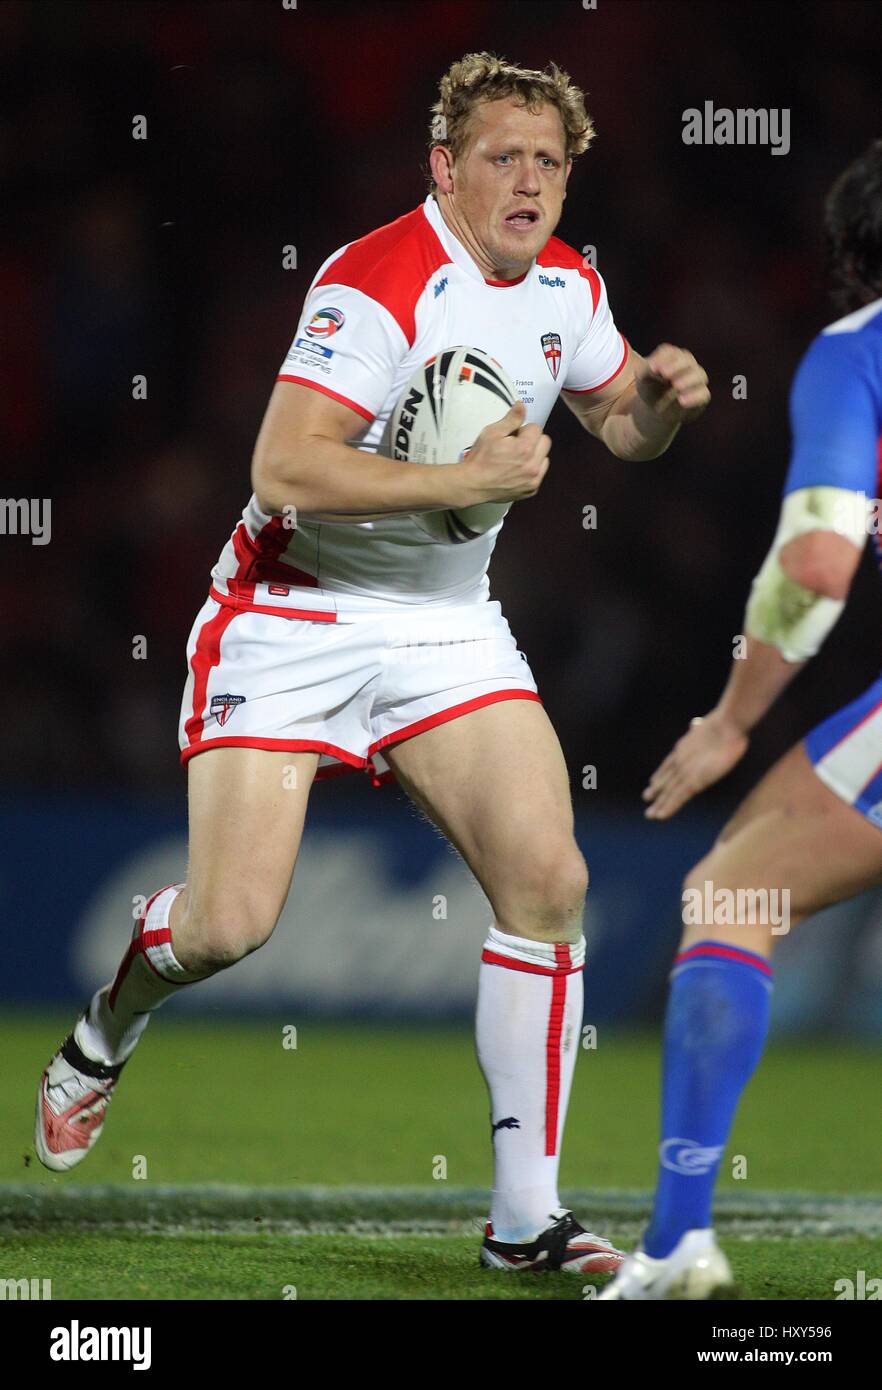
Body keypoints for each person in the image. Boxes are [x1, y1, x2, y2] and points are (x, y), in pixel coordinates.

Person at [35, 52, 709, 1275]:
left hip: (444, 624)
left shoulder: (568, 285)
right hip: (291, 616)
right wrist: (464, 480)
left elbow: (620, 426)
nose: (529, 181)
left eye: (549, 161)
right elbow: (282, 470)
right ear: (443, 168)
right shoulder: (377, 278)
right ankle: (101, 1032)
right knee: (231, 925)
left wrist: (657, 402)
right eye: (502, 155)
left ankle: (524, 1218)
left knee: (550, 879)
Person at [601, 139, 882, 1299]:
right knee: (741, 867)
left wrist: (730, 718)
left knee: (729, 896)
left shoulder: (856, 355)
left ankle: (675, 1243)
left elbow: (818, 560)